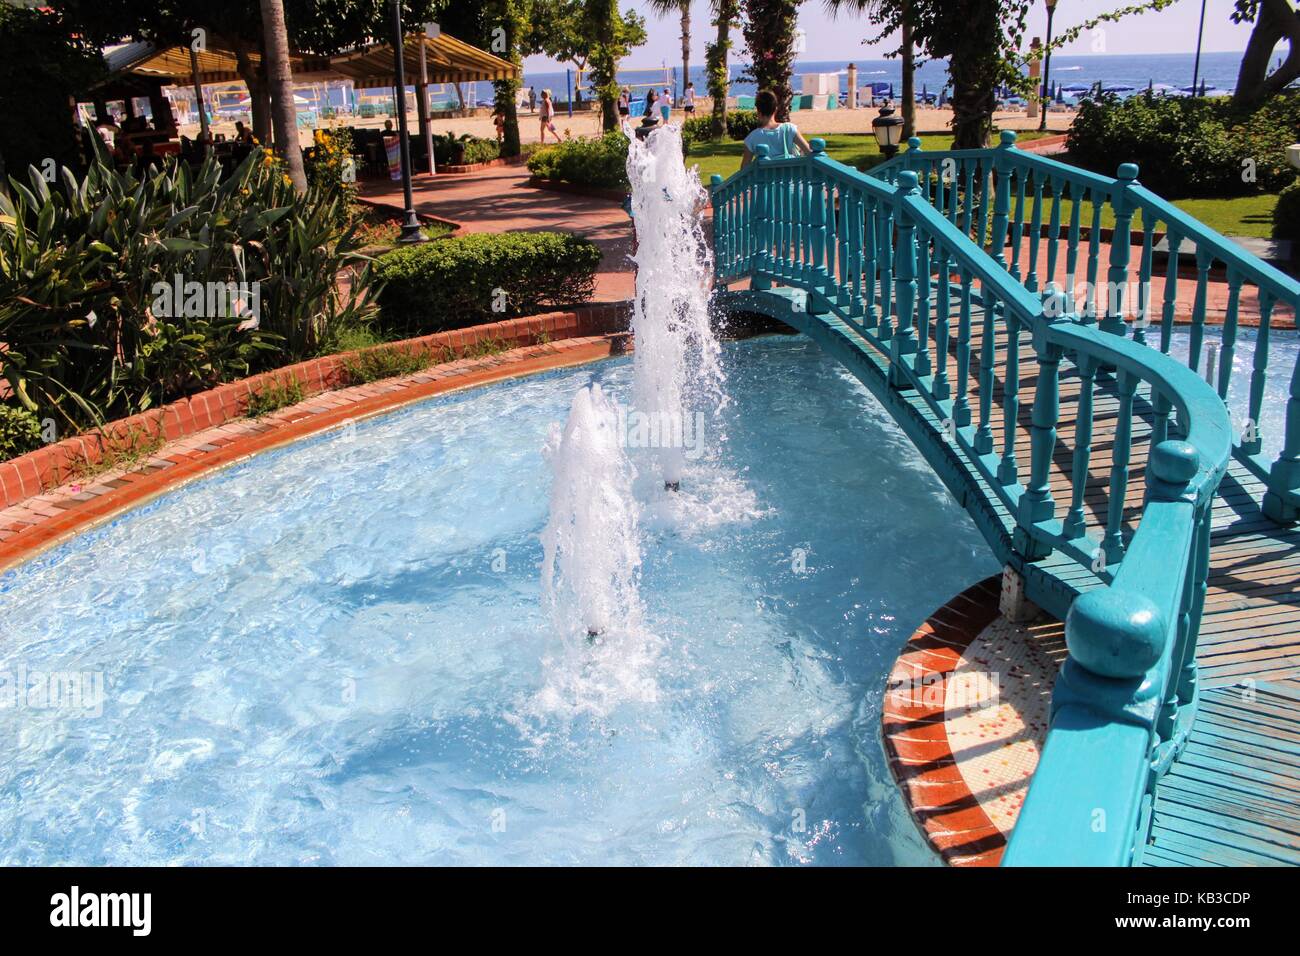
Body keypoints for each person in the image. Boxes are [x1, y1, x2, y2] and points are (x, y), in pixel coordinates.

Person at [740, 89, 812, 168]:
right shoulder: (789, 129)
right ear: (775, 109)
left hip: (766, 180)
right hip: (790, 179)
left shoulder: (752, 138)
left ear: (758, 112)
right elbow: (810, 153)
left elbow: (744, 169)